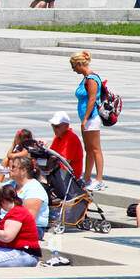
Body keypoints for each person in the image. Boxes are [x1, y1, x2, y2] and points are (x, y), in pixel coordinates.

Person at [0, 153, 49, 238]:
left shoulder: (34, 189)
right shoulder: (11, 184)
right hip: (8, 223)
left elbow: (27, 218)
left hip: (30, 228)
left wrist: (2, 228)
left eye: (13, 167)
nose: (9, 169)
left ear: (23, 170)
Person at [70, 51, 107, 190]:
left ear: (80, 64)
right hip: (86, 118)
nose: (73, 69)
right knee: (89, 149)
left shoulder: (91, 78)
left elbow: (92, 99)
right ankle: (86, 177)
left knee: (95, 149)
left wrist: (85, 118)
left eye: (74, 66)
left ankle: (99, 179)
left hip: (92, 118)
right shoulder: (85, 78)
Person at [47, 111, 84, 176]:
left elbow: (65, 162)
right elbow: (51, 154)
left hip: (70, 176)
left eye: (57, 126)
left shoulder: (71, 138)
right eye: (53, 126)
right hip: (61, 171)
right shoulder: (58, 137)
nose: (54, 129)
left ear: (66, 126)